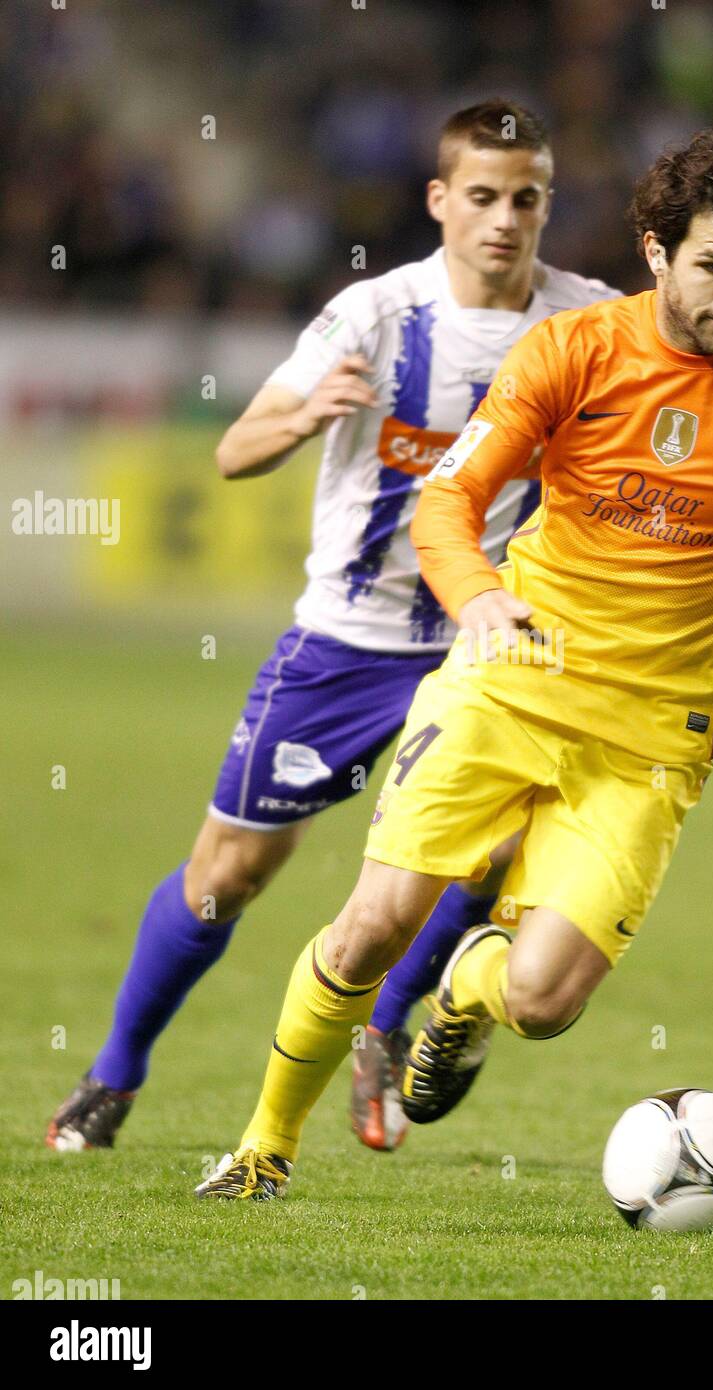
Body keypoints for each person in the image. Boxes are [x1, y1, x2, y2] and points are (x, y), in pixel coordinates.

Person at [195, 131, 713, 1202]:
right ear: (655, 252)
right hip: (509, 681)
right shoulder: (570, 351)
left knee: (542, 1001)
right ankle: (263, 1149)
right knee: (369, 926)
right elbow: (448, 504)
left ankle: (465, 992)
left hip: (653, 734)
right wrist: (479, 595)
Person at [48, 100, 617, 1157]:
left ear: (547, 204)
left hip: (485, 642)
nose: (502, 219)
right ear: (439, 200)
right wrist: (301, 417)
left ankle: (387, 1027)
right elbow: (233, 452)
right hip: (347, 642)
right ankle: (115, 1071)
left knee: (490, 850)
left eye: (525, 198)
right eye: (481, 197)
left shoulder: (589, 322)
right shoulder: (374, 313)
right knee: (226, 877)